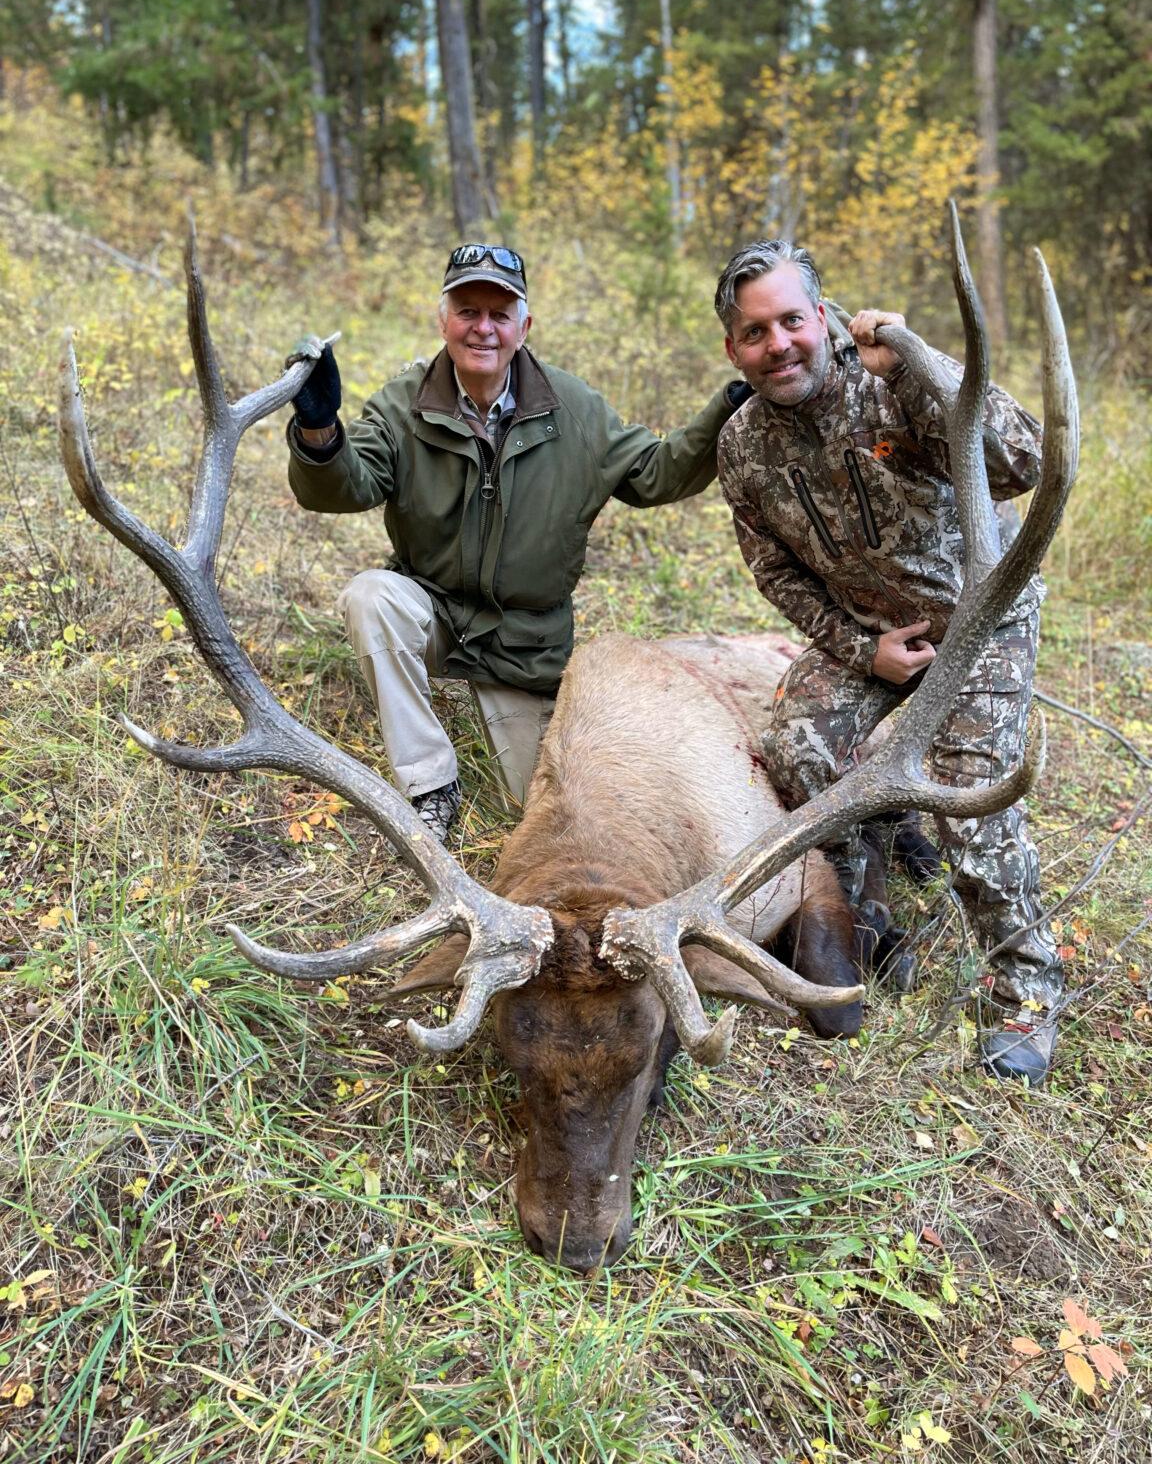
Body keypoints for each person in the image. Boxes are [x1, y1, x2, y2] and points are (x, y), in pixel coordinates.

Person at [712, 238, 1064, 1084]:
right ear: (733, 349)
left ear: (822, 317)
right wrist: (862, 650)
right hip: (874, 636)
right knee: (798, 747)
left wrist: (916, 369)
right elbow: (774, 572)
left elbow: (1022, 460)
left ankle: (1026, 987)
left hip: (981, 621)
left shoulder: (890, 385)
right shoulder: (742, 445)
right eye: (755, 332)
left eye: (790, 321)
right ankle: (865, 910)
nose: (778, 345)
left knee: (970, 801)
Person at [285, 242, 743, 841]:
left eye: (500, 315)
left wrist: (727, 408)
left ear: (524, 328)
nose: (483, 328)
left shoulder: (573, 408)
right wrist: (319, 429)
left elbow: (655, 473)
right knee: (372, 596)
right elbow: (346, 488)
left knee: (538, 813)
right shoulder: (403, 404)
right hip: (436, 613)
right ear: (443, 321)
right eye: (467, 311)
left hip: (525, 647)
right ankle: (430, 785)